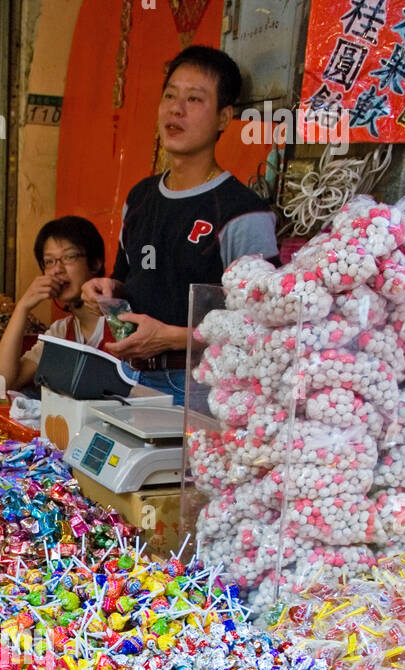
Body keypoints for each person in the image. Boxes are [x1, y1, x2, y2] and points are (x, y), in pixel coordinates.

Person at [83, 45, 278, 404]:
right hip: (131, 375)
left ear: (223, 118)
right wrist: (107, 290)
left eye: (194, 99)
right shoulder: (140, 197)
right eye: (170, 95)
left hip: (200, 387)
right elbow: (129, 281)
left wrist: (172, 337)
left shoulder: (242, 213)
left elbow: (263, 328)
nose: (176, 109)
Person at [0, 216, 113, 392]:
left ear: (95, 263)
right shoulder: (61, 332)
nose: (57, 269)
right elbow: (3, 385)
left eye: (69, 257)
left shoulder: (119, 320)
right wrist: (22, 307)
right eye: (49, 261)